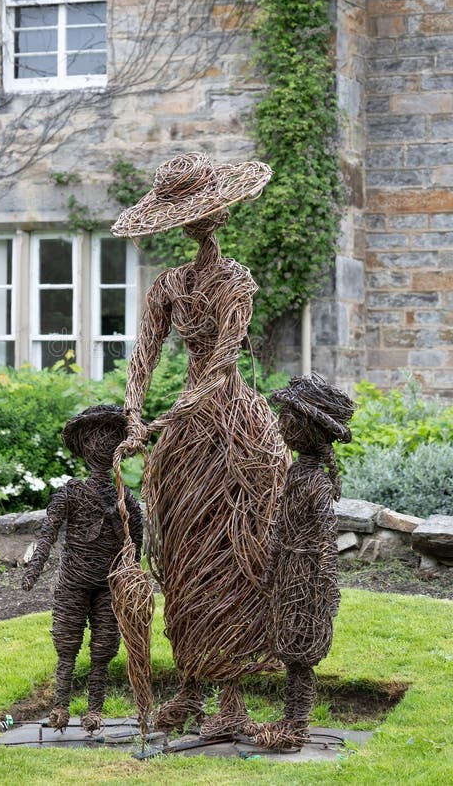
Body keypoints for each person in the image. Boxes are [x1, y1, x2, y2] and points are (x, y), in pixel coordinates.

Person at [111, 152, 288, 735]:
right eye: (184, 215)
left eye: (203, 212)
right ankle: (189, 688)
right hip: (184, 441)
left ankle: (232, 699)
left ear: (222, 213)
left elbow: (221, 363)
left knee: (234, 553)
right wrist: (133, 413)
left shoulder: (236, 281)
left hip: (230, 429)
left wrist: (169, 416)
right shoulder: (167, 285)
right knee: (184, 554)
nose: (194, 223)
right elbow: (143, 355)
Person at [244, 373, 355, 749]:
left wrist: (327, 582)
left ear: (309, 428)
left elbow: (327, 537)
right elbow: (279, 527)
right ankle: (291, 719)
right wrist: (273, 567)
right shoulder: (295, 474)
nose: (281, 424)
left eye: (290, 418)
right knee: (288, 646)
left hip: (306, 576)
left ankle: (297, 724)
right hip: (290, 569)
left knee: (302, 651)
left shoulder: (318, 485)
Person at [21, 404, 143, 733]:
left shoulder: (125, 498)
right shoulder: (70, 494)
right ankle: (60, 706)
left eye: (112, 436)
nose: (103, 443)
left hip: (109, 584)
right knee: (67, 643)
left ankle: (94, 710)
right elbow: (47, 534)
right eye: (96, 436)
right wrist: (34, 569)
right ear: (85, 445)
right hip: (73, 582)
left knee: (103, 647)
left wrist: (133, 576)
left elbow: (137, 542)